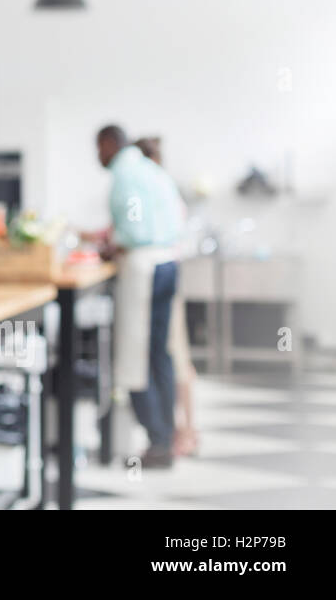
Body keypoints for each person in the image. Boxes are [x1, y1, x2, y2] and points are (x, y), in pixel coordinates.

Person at [95, 124, 186, 468]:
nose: (98, 156)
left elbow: (131, 232)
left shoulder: (125, 173)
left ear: (109, 143)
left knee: (134, 357)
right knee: (159, 354)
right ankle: (165, 437)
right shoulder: (152, 169)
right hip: (167, 262)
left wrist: (109, 247)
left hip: (143, 268)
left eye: (98, 148)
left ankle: (157, 441)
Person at [135, 135, 199, 458]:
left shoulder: (154, 188)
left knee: (176, 358)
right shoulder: (165, 185)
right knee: (174, 357)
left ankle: (186, 432)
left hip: (164, 272)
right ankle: (184, 430)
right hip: (171, 271)